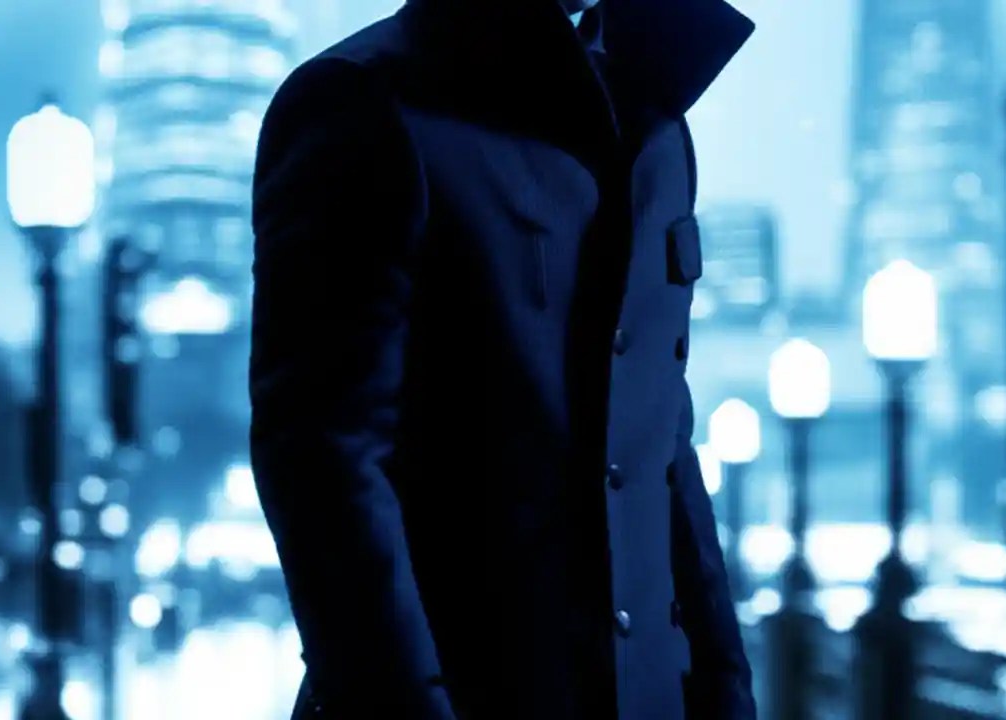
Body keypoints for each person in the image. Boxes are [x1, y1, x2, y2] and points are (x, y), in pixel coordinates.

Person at [249, 0, 756, 717]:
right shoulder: (363, 101)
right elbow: (322, 460)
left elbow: (662, 445)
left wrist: (728, 695)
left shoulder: (656, 123)